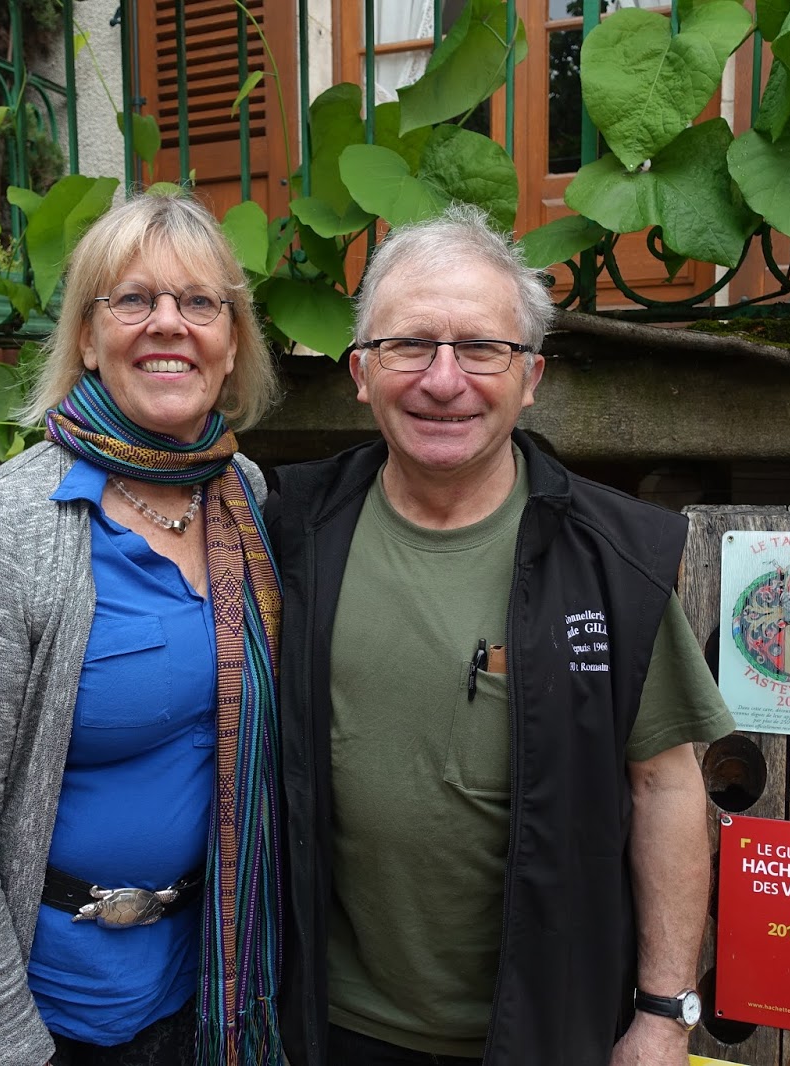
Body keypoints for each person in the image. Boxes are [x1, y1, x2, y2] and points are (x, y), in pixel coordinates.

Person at [269, 204, 735, 1066]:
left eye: (482, 348)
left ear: (531, 378)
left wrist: (664, 1014)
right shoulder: (291, 529)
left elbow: (665, 788)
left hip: (544, 1028)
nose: (444, 381)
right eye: (409, 345)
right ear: (360, 373)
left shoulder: (610, 559)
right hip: (326, 1027)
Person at [0, 192, 285, 1066]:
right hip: (44, 1006)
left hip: (203, 986)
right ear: (87, 339)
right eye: (132, 300)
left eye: (200, 303)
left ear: (232, 342)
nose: (169, 324)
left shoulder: (245, 499)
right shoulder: (4, 529)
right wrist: (9, 1048)